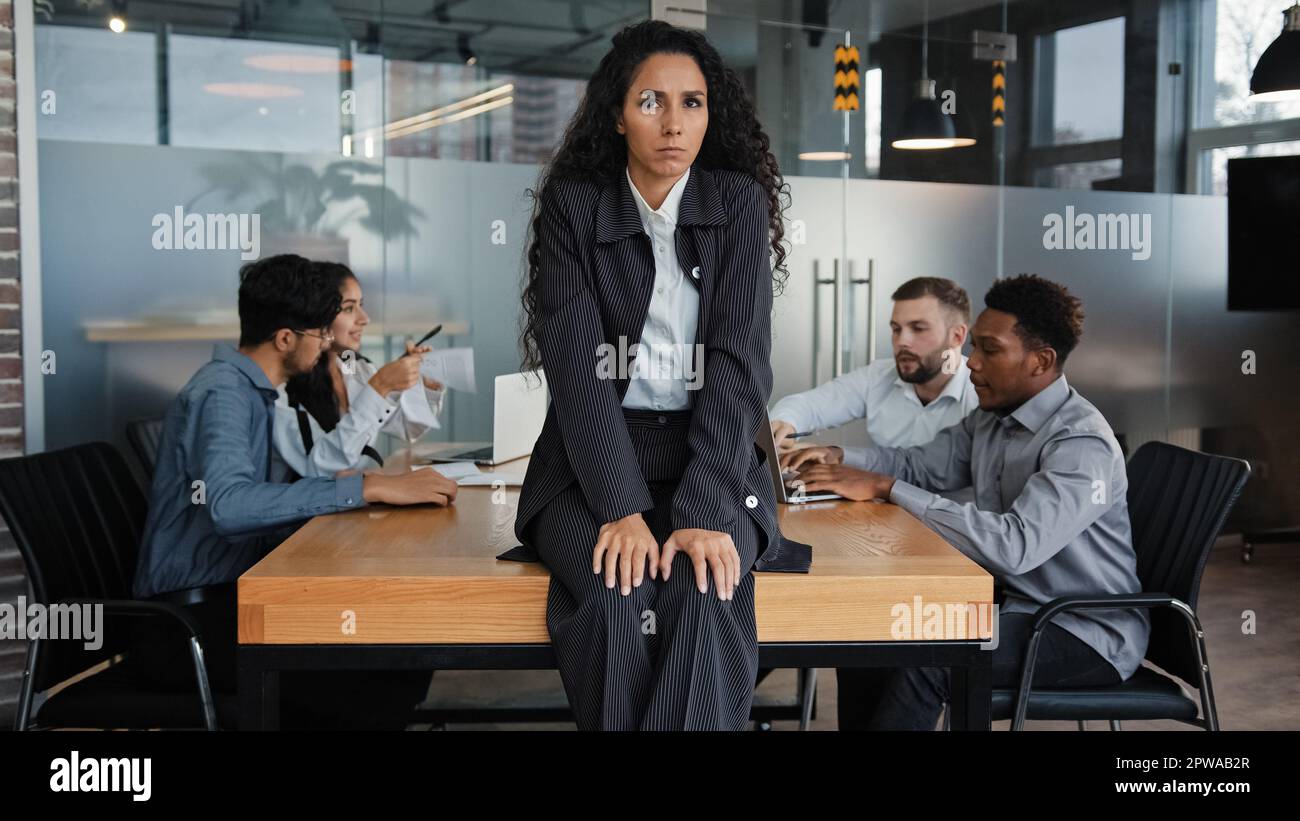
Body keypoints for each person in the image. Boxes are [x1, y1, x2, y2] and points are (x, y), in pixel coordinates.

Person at [513, 19, 805, 731]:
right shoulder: (575, 207)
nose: (674, 123)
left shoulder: (735, 203)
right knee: (618, 590)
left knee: (705, 587)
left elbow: (738, 368)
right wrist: (619, 505)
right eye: (651, 102)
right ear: (617, 113)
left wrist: (707, 509)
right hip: (592, 464)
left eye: (693, 102)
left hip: (715, 456)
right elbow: (578, 372)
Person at [785, 274, 1150, 730]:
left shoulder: (1079, 442)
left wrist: (885, 487)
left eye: (990, 350)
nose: (971, 363)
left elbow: (1014, 547)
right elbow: (921, 465)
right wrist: (842, 458)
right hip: (1015, 607)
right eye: (974, 346)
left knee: (933, 659)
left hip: (1080, 630)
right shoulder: (993, 419)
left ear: (1041, 361)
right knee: (872, 628)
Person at [132, 253, 457, 729]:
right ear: (285, 339)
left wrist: (361, 487)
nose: (329, 341)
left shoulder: (255, 393)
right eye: (319, 333)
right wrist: (364, 488)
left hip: (229, 596)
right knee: (379, 667)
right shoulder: (224, 393)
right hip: (187, 625)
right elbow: (229, 506)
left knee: (397, 641)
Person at [769, 276, 977, 455]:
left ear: (957, 336)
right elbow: (809, 405)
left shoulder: (979, 394)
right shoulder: (879, 376)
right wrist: (786, 423)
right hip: (884, 501)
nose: (902, 341)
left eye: (918, 328)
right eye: (896, 329)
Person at [276, 261, 445, 477]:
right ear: (319, 314)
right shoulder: (288, 386)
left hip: (356, 501)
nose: (364, 319)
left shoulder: (350, 363)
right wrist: (380, 385)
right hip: (319, 508)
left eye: (361, 305)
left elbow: (407, 427)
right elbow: (321, 467)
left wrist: (423, 385)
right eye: (348, 308)